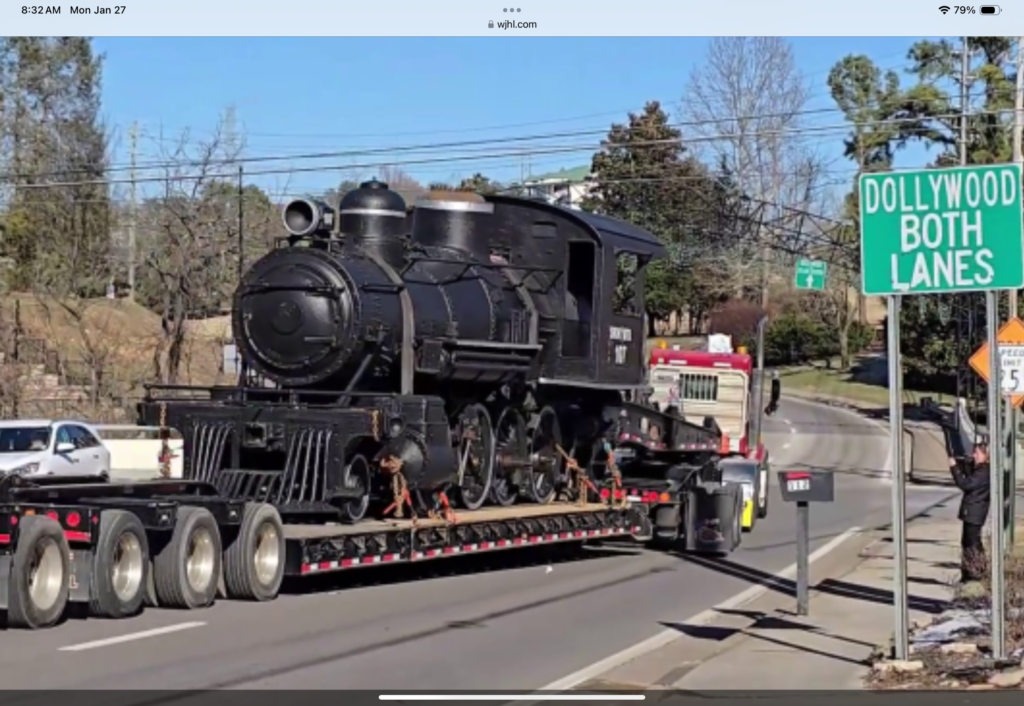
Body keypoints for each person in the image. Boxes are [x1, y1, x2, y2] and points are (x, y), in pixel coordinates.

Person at [949, 441, 991, 583]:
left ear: (985, 455)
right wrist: (964, 464)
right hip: (973, 513)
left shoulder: (983, 472)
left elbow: (965, 484)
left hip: (974, 513)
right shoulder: (981, 469)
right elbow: (969, 473)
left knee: (971, 544)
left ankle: (973, 574)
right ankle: (975, 571)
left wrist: (954, 467)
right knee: (972, 542)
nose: (974, 455)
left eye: (977, 453)